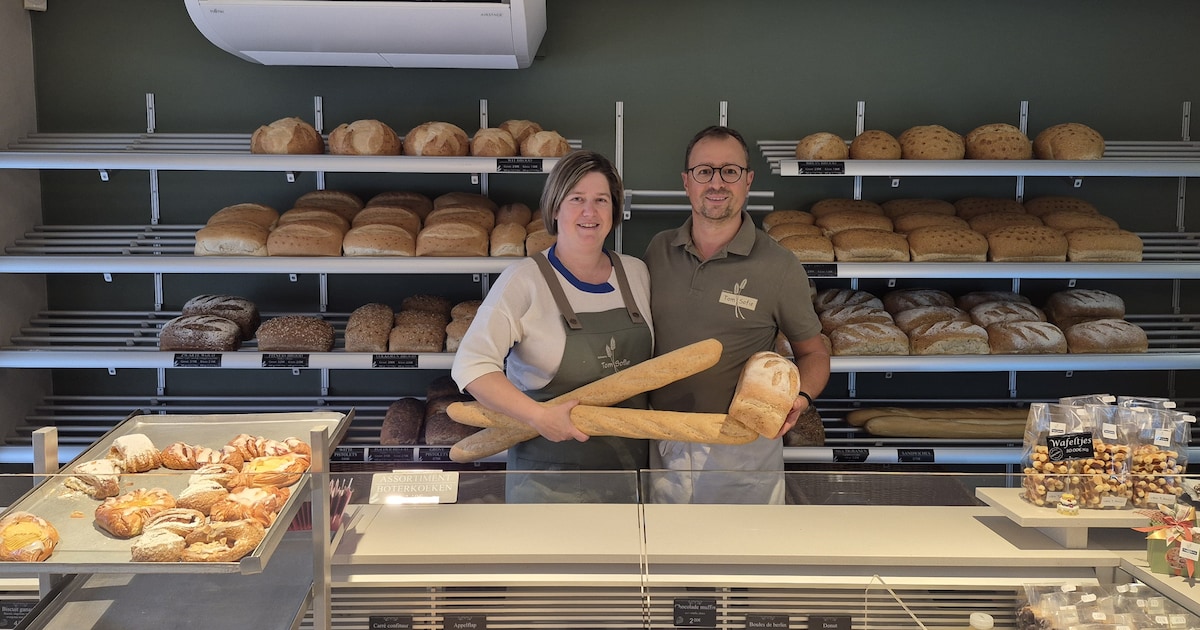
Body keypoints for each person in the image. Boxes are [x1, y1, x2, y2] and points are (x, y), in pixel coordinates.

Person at [451, 150, 654, 503]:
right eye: (576, 199)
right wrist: (539, 416)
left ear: (614, 209)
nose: (589, 212)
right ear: (556, 207)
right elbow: (471, 366)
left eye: (601, 200)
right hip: (547, 481)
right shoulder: (524, 280)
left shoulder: (636, 273)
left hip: (628, 477)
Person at [643, 125, 830, 504]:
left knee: (745, 544)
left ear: (748, 181)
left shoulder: (779, 265)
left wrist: (801, 398)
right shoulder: (658, 250)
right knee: (665, 543)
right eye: (704, 171)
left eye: (729, 171)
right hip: (665, 441)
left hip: (742, 451)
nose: (716, 183)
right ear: (686, 182)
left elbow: (814, 353)